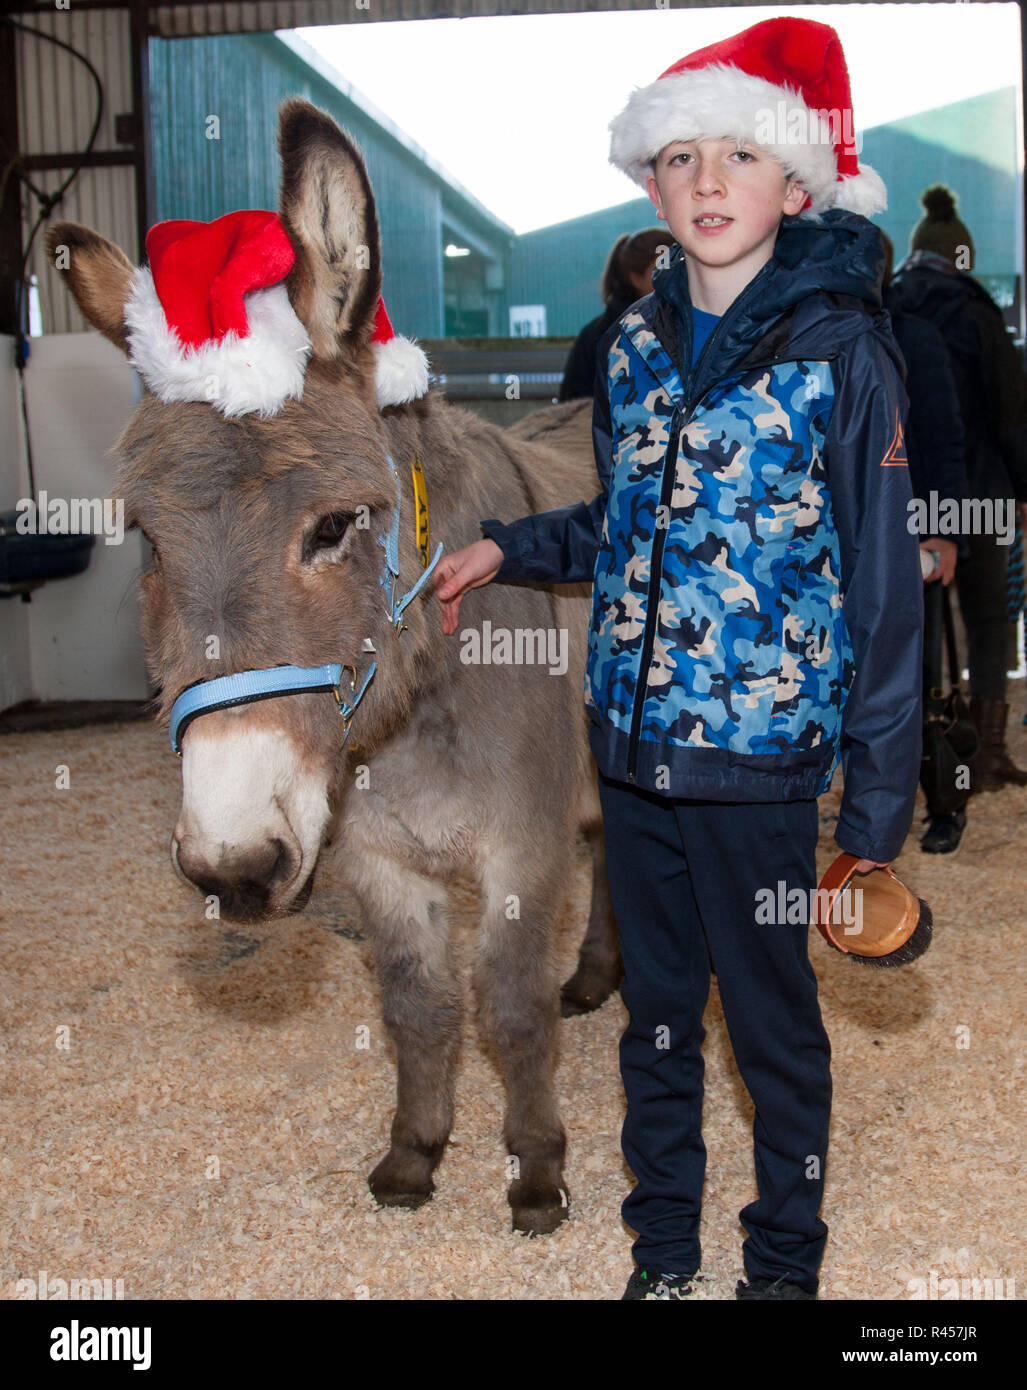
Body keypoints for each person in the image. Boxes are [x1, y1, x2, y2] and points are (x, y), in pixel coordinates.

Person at [434, 16, 923, 1301]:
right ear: (650, 182)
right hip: (636, 757)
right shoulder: (639, 349)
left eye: (740, 156)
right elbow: (627, 525)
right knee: (654, 1022)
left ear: (795, 182)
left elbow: (881, 590)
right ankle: (662, 1255)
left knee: (766, 1029)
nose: (708, 183)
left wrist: (875, 805)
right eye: (681, 157)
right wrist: (503, 546)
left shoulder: (842, 351)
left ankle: (783, 1267)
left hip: (759, 769)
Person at [887, 185, 1027, 792]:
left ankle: (923, 754)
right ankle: (987, 753)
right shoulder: (976, 311)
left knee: (916, 627)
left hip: (912, 495)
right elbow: (1010, 412)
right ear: (961, 256)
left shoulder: (887, 307)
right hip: (983, 491)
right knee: (991, 618)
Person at [880, 231, 974, 852]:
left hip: (910, 534)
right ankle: (874, 805)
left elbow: (942, 439)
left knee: (924, 679)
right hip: (842, 543)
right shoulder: (812, 336)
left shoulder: (915, 337)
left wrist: (943, 531)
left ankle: (944, 802)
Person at [558, 229, 666, 401]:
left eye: (682, 267)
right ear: (636, 279)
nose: (675, 277)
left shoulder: (685, 325)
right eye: (661, 269)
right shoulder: (604, 335)